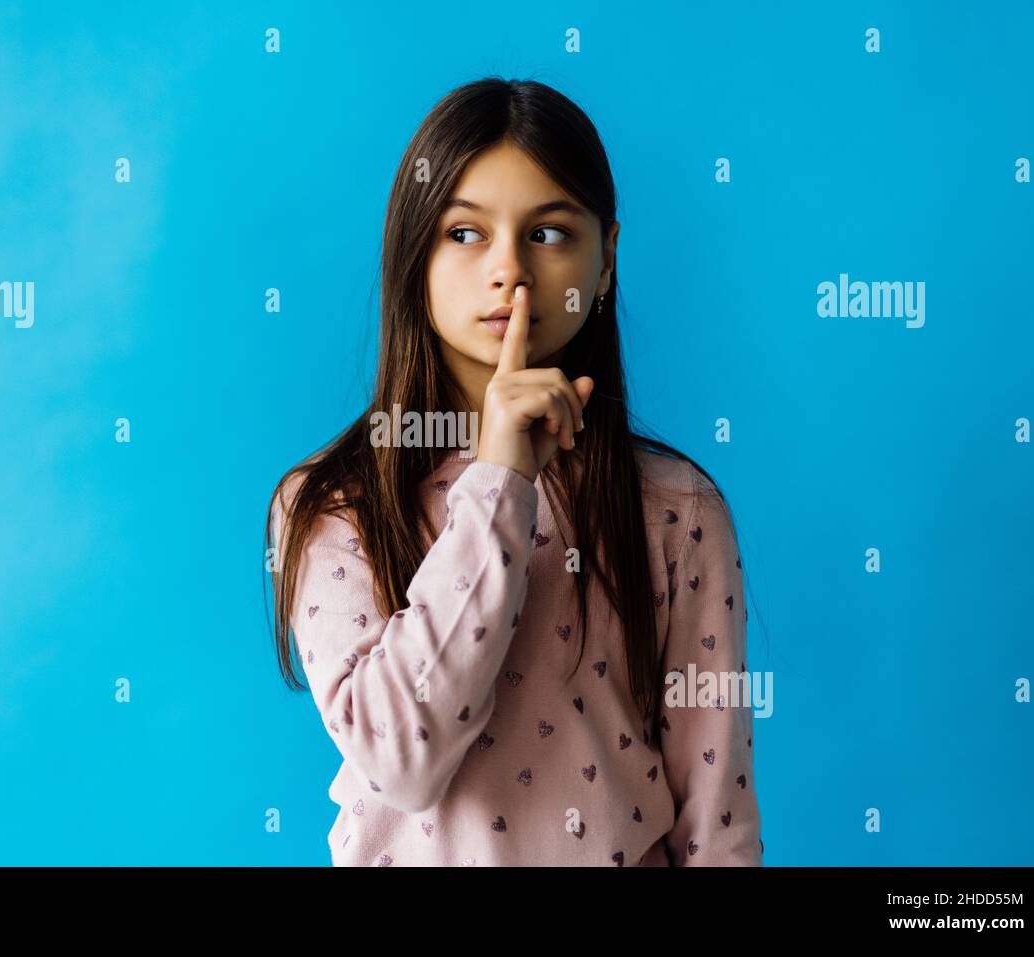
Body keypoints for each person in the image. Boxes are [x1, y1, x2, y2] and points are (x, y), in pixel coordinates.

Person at [266, 77, 763, 866]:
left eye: (550, 232)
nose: (509, 271)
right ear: (413, 255)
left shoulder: (679, 509)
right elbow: (399, 758)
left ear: (606, 261)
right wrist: (500, 480)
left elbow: (717, 817)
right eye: (465, 234)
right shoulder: (330, 506)